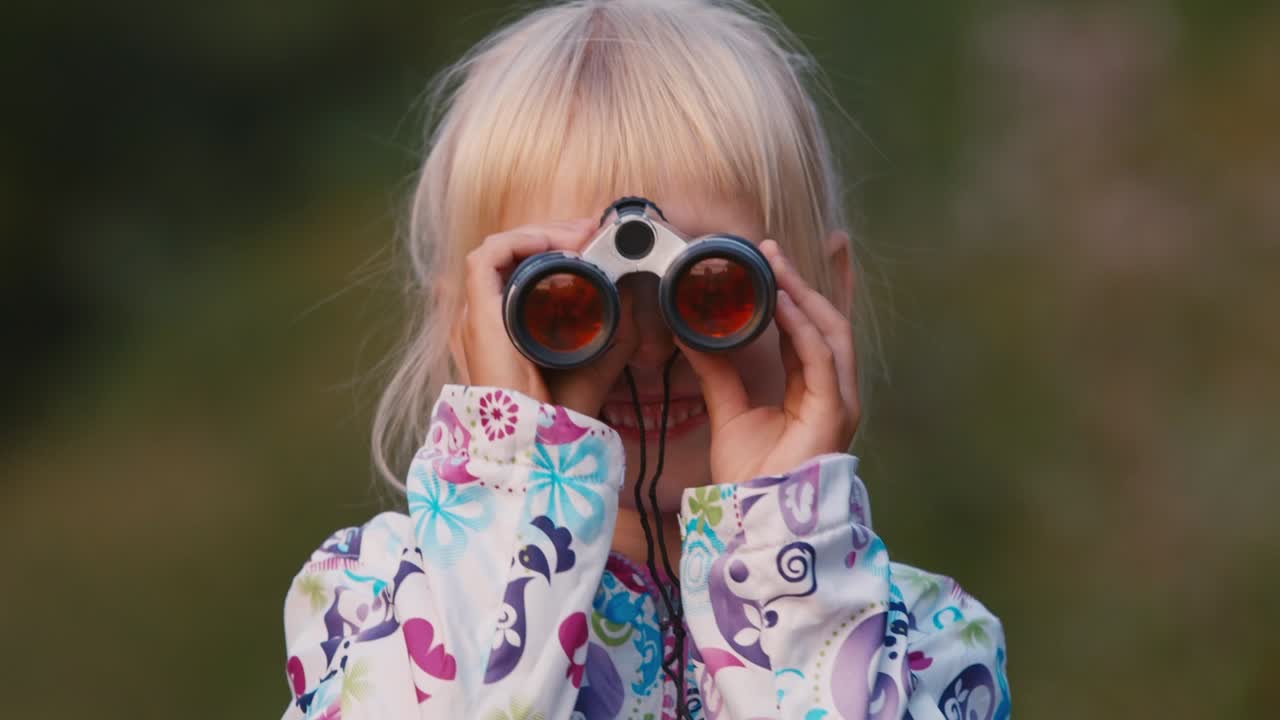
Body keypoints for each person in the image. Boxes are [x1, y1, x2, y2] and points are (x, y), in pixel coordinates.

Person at [280, 1, 1011, 718]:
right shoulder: (370, 604)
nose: (651, 347)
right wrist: (518, 486)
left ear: (823, 295)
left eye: (712, 294)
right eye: (570, 304)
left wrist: (788, 557)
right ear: (469, 326)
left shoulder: (928, 646)